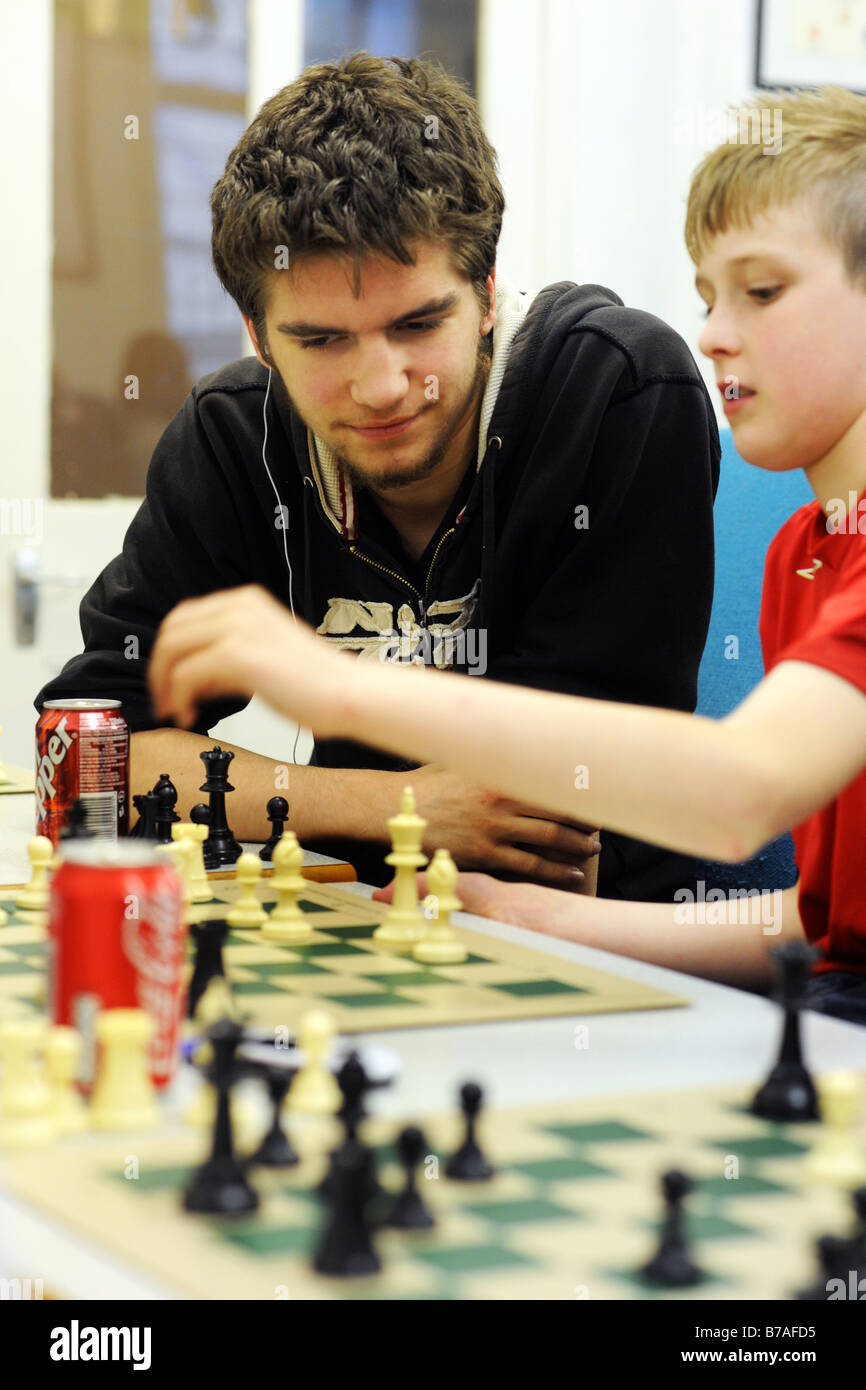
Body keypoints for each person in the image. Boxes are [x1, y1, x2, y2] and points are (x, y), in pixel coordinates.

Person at [148, 84, 866, 1023]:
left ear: (487, 298)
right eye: (708, 295)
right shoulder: (806, 554)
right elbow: (822, 932)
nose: (713, 334)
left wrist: (338, 687)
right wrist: (523, 910)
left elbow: (737, 796)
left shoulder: (615, 392)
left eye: (761, 291)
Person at [37, 51, 719, 899]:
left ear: (486, 289)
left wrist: (331, 795)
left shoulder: (616, 389)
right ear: (258, 335)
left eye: (419, 321)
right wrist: (396, 803)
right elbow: (93, 753)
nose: (383, 386)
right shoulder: (230, 436)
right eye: (321, 341)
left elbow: (552, 812)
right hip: (352, 924)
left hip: (604, 953)